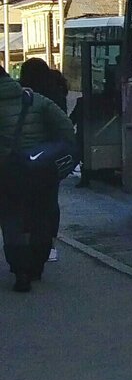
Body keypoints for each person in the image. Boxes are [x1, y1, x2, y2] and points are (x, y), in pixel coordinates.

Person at [0, 62, 76, 292]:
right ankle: (38, 263)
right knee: (41, 215)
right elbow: (65, 129)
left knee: (11, 218)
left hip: (6, 172)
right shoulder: (33, 99)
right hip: (39, 170)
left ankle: (20, 271)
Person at [19, 57, 71, 259]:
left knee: (25, 202)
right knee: (49, 201)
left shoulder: (21, 95)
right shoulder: (56, 93)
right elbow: (64, 126)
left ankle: (28, 241)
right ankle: (48, 244)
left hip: (23, 156)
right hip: (50, 156)